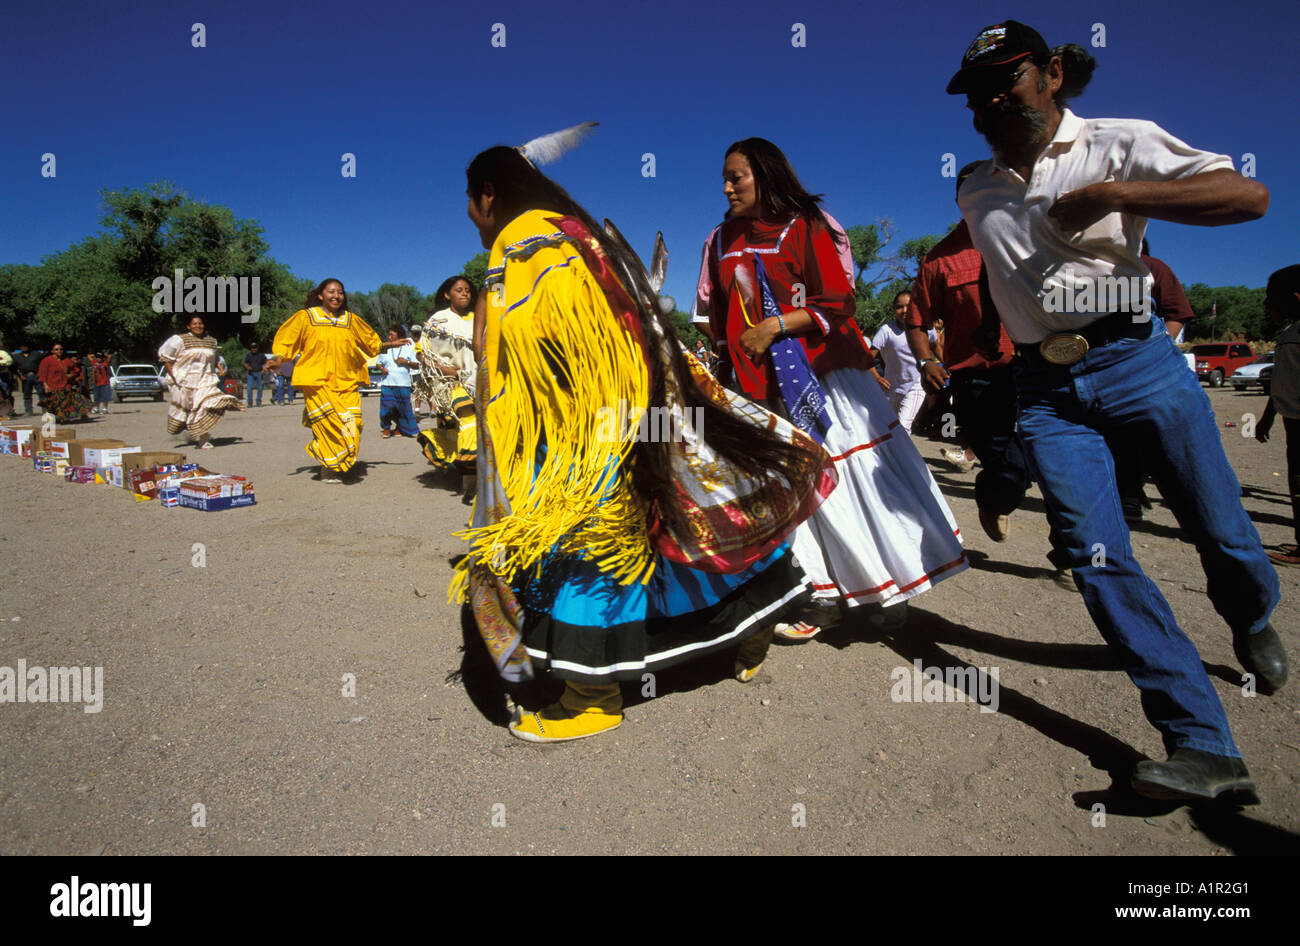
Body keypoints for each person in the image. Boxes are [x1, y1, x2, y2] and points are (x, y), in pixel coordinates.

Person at [948, 19, 1285, 803]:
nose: (993, 101)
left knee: (1219, 526)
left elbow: (1249, 196)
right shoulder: (974, 184)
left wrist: (1111, 195)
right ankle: (1202, 742)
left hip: (1138, 360)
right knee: (1094, 555)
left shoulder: (1118, 142)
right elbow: (987, 275)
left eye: (1009, 79)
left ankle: (1251, 612)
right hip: (1046, 388)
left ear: (1054, 73)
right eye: (976, 94)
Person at [456, 142, 835, 742]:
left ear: (488, 196)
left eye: (470, 205)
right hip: (643, 409)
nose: (472, 219)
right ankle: (751, 630)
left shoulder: (526, 241)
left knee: (587, 550)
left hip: (588, 426)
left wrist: (524, 440)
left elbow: (523, 354)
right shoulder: (577, 234)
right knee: (679, 522)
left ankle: (591, 696)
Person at [696, 137, 967, 641]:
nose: (727, 187)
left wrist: (776, 328)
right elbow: (717, 314)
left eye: (737, 177)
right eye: (725, 179)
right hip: (761, 384)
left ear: (767, 175)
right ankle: (819, 595)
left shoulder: (805, 225)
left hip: (823, 378)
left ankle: (890, 587)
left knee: (850, 483)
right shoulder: (722, 238)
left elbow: (837, 300)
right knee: (790, 489)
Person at [907, 164, 1026, 544]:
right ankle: (994, 498)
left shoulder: (1031, 242)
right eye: (975, 193)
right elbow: (916, 321)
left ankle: (1070, 550)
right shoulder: (940, 261)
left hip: (1041, 367)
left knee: (1063, 460)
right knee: (1005, 462)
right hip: (980, 379)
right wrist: (926, 360)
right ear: (960, 200)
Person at [271, 279, 407, 482]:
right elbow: (286, 341)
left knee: (352, 423)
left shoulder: (350, 320)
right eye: (331, 292)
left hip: (347, 380)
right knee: (328, 424)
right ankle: (329, 467)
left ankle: (339, 459)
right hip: (316, 381)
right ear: (320, 295)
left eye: (340, 293)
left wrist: (389, 344)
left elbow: (371, 343)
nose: (336, 296)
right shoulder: (306, 317)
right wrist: (278, 359)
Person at [1254, 265, 1300, 566]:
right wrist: (1268, 416)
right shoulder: (1291, 331)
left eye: (1272, 299)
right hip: (1291, 418)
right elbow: (1284, 381)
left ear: (1295, 298)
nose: (1266, 306)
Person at [416, 275, 478, 483]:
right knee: (468, 420)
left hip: (479, 380)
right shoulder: (437, 321)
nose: (465, 293)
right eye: (459, 290)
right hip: (448, 383)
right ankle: (469, 476)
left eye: (467, 290)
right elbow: (421, 352)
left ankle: (467, 471)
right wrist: (442, 368)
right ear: (447, 294)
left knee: (466, 426)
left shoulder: (479, 318)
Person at [158, 315, 242, 449]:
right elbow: (166, 359)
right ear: (188, 326)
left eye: (200, 323)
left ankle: (203, 439)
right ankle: (189, 427)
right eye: (194, 324)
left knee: (204, 406)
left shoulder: (211, 341)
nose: (198, 326)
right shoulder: (179, 340)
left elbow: (214, 359)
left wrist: (219, 368)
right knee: (185, 412)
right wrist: (174, 377)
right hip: (184, 380)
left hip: (205, 379)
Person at [869, 291, 935, 434]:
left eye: (909, 306)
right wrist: (877, 377)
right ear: (894, 310)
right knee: (886, 427)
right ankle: (889, 456)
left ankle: (903, 457)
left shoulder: (925, 327)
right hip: (891, 387)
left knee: (903, 427)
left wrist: (946, 364)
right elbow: (867, 359)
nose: (905, 311)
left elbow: (937, 346)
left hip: (916, 385)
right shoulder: (887, 331)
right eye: (899, 307)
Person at [376, 327, 420, 438]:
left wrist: (406, 361)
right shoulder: (385, 348)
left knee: (403, 408)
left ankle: (399, 429)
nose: (389, 337)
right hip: (387, 383)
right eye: (389, 335)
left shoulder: (408, 348)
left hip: (403, 384)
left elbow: (417, 364)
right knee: (386, 408)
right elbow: (378, 363)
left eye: (392, 334)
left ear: (399, 336)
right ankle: (386, 428)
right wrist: (382, 369)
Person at [37, 343, 90, 422]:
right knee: (54, 403)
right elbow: (42, 374)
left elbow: (76, 370)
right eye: (56, 349)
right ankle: (55, 417)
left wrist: (71, 375)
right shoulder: (46, 361)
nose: (59, 351)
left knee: (66, 402)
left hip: (65, 385)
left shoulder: (67, 360)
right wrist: (45, 385)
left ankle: (64, 417)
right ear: (52, 351)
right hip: (52, 385)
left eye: (61, 349)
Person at [11, 344, 42, 416]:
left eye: (25, 345)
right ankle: (28, 411)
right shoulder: (17, 356)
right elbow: (13, 367)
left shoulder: (37, 354)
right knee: (27, 394)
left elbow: (43, 364)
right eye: (21, 346)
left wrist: (40, 373)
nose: (23, 347)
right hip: (25, 376)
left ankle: (45, 410)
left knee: (41, 393)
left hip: (36, 375)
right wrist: (19, 375)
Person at [243, 343, 268, 408]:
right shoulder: (249, 355)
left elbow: (267, 363)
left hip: (259, 373)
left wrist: (263, 370)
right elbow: (244, 363)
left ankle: (258, 402)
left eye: (255, 348)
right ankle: (250, 403)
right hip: (250, 374)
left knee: (259, 388)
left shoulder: (261, 355)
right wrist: (247, 367)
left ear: (257, 348)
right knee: (249, 388)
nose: (254, 349)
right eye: (252, 348)